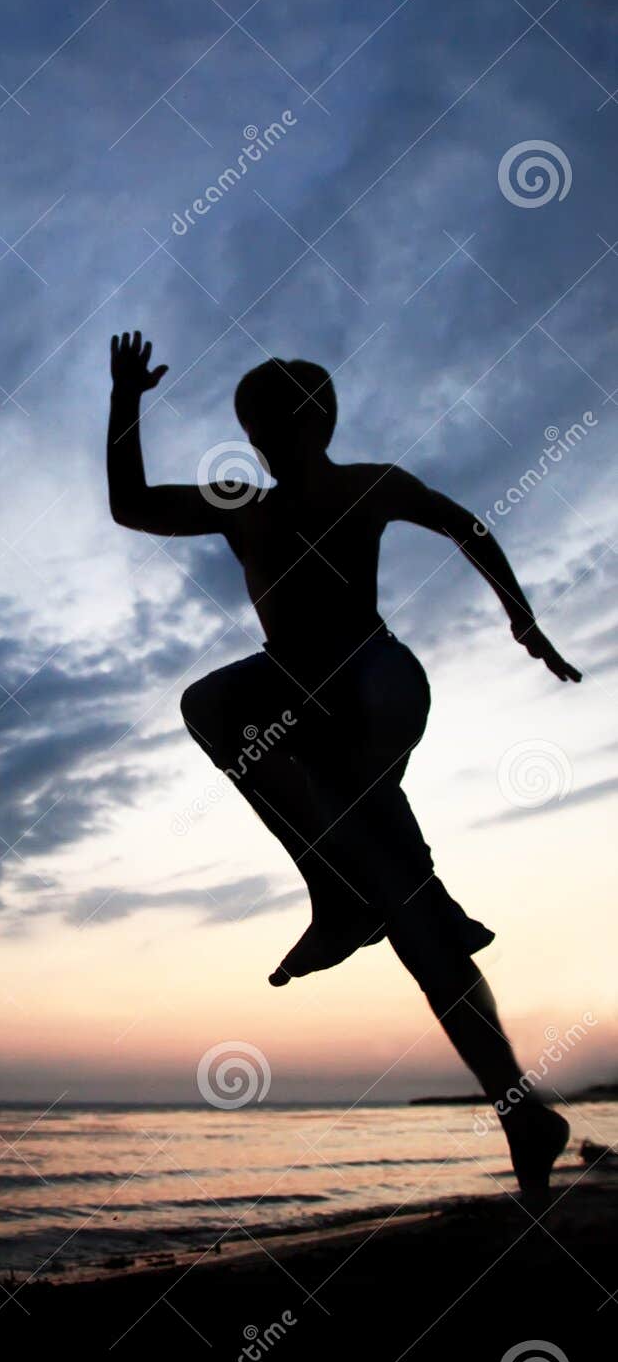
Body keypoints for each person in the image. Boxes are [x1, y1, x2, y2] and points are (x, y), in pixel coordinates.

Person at [106, 332, 580, 1209]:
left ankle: (350, 898)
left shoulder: (366, 483)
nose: (268, 438)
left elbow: (463, 524)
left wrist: (523, 623)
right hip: (296, 701)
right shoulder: (240, 503)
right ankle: (520, 1110)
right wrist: (124, 399)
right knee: (397, 901)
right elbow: (131, 505)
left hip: (371, 681)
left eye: (281, 420)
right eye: (258, 425)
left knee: (395, 876)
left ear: (317, 422)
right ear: (250, 437)